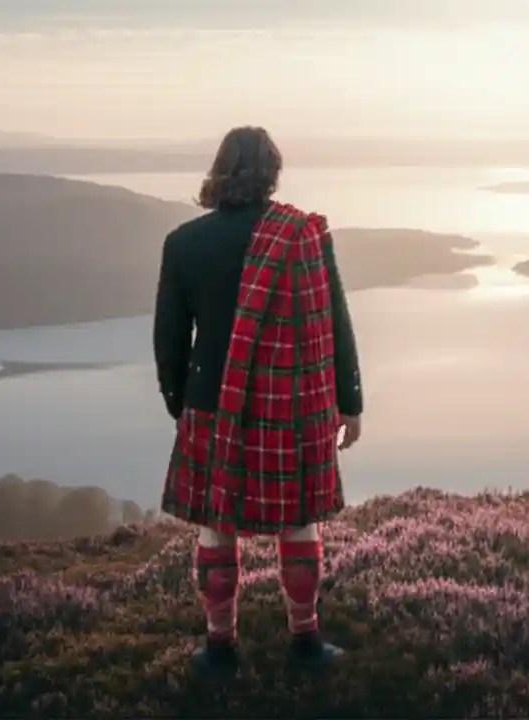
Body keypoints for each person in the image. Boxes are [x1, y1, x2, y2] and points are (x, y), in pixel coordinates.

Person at [154, 126, 364, 675]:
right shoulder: (306, 236)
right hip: (291, 407)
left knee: (215, 523)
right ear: (271, 174)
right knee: (299, 522)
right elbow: (335, 324)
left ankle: (220, 647)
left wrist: (182, 403)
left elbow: (169, 339)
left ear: (217, 170)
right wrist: (349, 401)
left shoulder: (183, 243)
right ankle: (306, 641)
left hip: (210, 404)